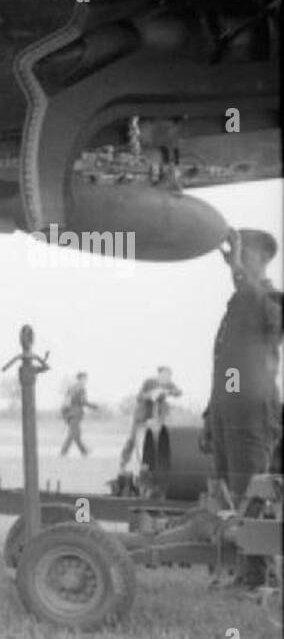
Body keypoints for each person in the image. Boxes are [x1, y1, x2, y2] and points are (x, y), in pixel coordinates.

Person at [200, 227, 283, 591]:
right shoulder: (240, 301)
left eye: (244, 252)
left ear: (263, 258)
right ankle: (243, 571)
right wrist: (210, 414)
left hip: (252, 413)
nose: (238, 257)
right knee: (232, 493)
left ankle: (257, 577)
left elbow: (253, 297)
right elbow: (226, 366)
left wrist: (236, 268)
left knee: (252, 492)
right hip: (229, 409)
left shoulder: (269, 299)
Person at [119, 365, 183, 470]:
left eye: (169, 376)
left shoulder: (169, 384)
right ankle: (124, 460)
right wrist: (150, 395)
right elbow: (139, 397)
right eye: (165, 375)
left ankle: (155, 463)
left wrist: (169, 392)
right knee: (132, 438)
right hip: (143, 413)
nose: (167, 378)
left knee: (158, 438)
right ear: (159, 374)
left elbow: (179, 392)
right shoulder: (149, 382)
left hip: (157, 414)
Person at [59, 371, 98, 457]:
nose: (85, 380)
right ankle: (63, 452)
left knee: (76, 434)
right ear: (80, 379)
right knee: (73, 434)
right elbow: (83, 402)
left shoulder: (71, 388)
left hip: (68, 413)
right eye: (84, 378)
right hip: (76, 413)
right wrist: (94, 406)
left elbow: (66, 400)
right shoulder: (81, 389)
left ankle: (84, 451)